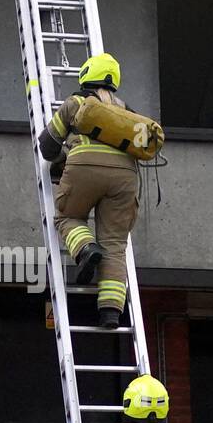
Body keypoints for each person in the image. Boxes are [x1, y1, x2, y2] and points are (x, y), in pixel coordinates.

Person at [37, 52, 148, 330]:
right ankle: (110, 312)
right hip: (125, 179)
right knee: (114, 244)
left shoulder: (76, 102)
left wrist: (61, 160)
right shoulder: (128, 112)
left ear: (87, 74)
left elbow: (48, 145)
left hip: (84, 168)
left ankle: (85, 249)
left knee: (67, 217)